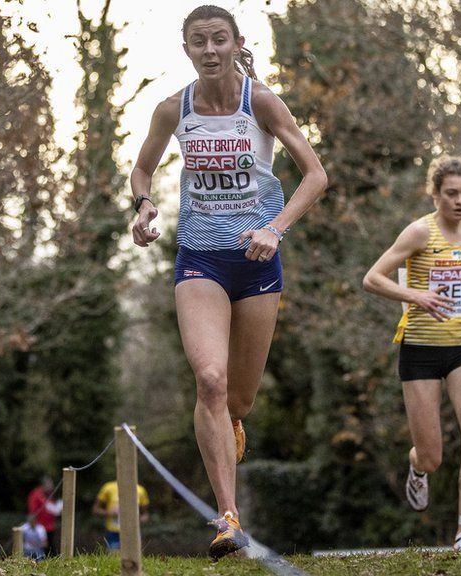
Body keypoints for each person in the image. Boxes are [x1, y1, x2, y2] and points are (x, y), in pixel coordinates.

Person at [129, 4, 327, 560]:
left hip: (258, 261)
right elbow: (141, 169)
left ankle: (230, 427)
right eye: (199, 42)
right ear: (186, 48)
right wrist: (143, 205)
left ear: (236, 42)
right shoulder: (174, 109)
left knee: (237, 399)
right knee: (210, 381)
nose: (210, 50)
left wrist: (275, 228)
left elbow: (316, 174)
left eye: (219, 39)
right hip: (201, 259)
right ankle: (228, 517)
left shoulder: (260, 102)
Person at [362, 156, 461, 551]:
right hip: (420, 350)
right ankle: (417, 467)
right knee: (432, 457)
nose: (460, 201)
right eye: (452, 194)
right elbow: (372, 278)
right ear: (435, 194)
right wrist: (416, 296)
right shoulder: (418, 233)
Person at [93, 480, 150, 552]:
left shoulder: (140, 490)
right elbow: (95, 510)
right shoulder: (108, 487)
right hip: (113, 532)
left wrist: (138, 519)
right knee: (112, 558)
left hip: (133, 532)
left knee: (134, 557)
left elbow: (145, 514)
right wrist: (109, 513)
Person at [26, 476, 63, 556]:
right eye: (50, 484)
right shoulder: (37, 494)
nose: (52, 486)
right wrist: (60, 505)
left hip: (49, 526)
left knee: (50, 547)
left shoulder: (47, 494)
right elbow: (49, 508)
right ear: (44, 485)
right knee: (45, 549)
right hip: (41, 527)